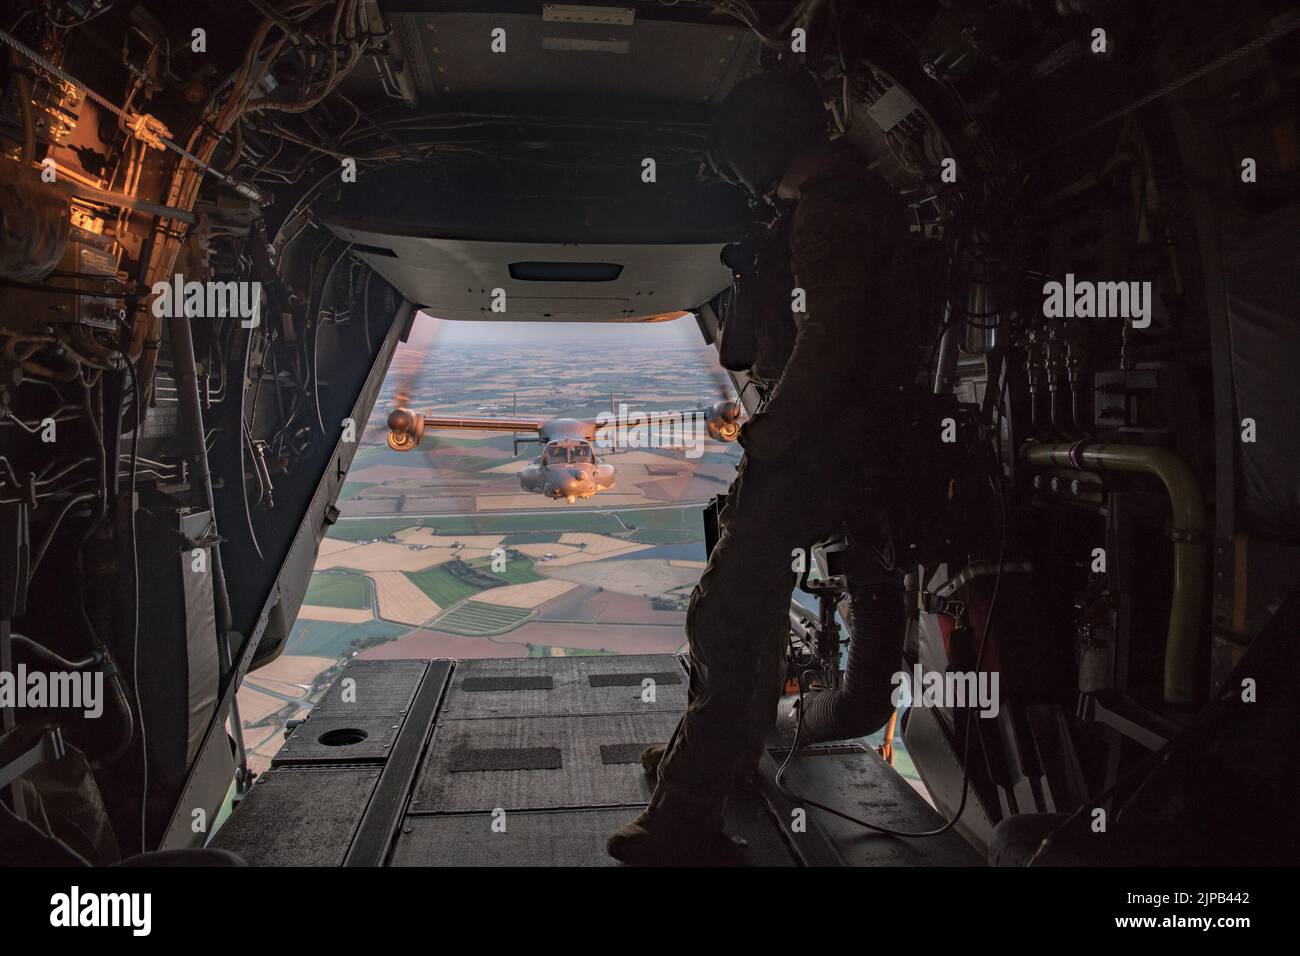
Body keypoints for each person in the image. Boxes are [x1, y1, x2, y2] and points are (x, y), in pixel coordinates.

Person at [606, 70, 927, 865]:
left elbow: (830, 337)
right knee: (753, 611)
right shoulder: (852, 203)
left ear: (754, 149)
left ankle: (684, 817)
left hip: (815, 447)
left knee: (727, 616)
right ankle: (720, 761)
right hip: (845, 447)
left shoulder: (829, 213)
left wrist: (772, 433)